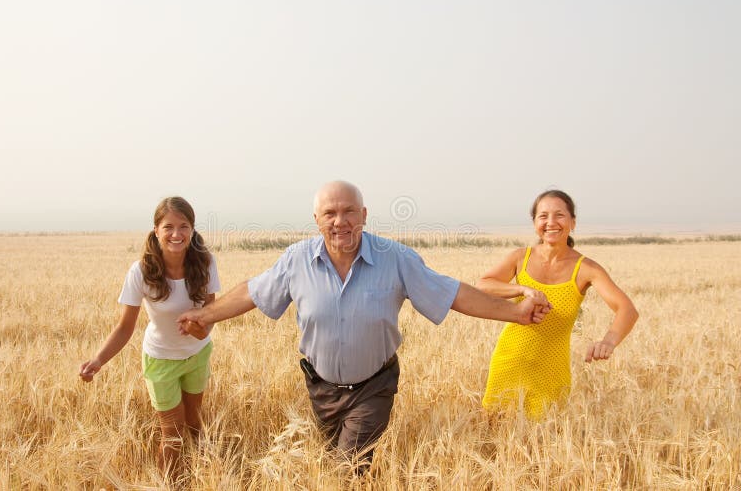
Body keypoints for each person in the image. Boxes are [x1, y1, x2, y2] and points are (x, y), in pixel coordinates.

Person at [177, 180, 551, 470]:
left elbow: (451, 293)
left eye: (349, 211)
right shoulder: (296, 260)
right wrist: (205, 315)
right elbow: (252, 293)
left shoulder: (397, 259)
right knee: (333, 462)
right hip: (319, 386)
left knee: (347, 468)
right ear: (317, 220)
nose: (340, 221)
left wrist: (516, 314)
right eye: (330, 213)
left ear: (364, 214)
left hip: (374, 386)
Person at [79, 196, 220, 481]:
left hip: (197, 354)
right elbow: (125, 327)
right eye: (168, 227)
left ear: (192, 230)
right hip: (161, 361)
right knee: (172, 432)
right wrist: (98, 360)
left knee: (194, 422)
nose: (176, 234)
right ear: (156, 230)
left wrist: (198, 327)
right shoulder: (141, 271)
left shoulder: (204, 262)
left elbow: (211, 314)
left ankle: (209, 477)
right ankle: (169, 485)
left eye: (184, 226)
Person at [477, 189, 639, 419]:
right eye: (543, 216)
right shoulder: (519, 257)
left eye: (559, 215)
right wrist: (522, 289)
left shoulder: (586, 268)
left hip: (552, 367)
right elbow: (483, 284)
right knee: (495, 427)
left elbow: (627, 309)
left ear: (572, 222)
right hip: (510, 357)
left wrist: (608, 342)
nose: (551, 222)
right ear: (534, 223)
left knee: (544, 437)